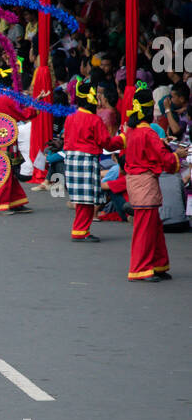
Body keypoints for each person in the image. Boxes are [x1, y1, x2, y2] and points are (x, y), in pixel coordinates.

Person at [117, 88, 184, 281]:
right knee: (145, 228)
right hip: (146, 184)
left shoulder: (133, 132)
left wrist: (162, 143)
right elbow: (166, 160)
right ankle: (140, 268)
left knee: (153, 227)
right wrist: (175, 155)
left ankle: (158, 264)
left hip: (136, 182)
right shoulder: (148, 133)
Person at [62, 80, 122, 241]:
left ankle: (80, 229)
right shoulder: (94, 120)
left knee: (82, 199)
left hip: (71, 159)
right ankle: (80, 230)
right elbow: (107, 143)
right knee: (86, 200)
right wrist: (123, 138)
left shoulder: (70, 117)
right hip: (86, 160)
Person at [0, 77, 35, 212]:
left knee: (8, 170)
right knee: (5, 170)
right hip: (5, 136)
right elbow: (22, 114)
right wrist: (35, 106)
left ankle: (15, 201)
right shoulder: (7, 97)